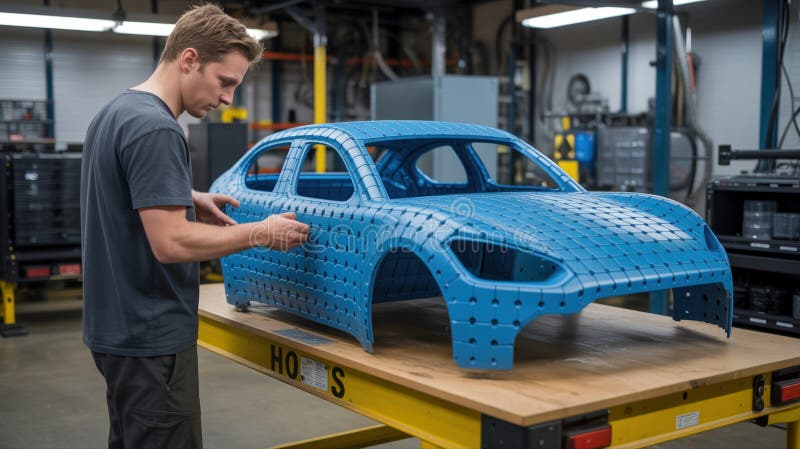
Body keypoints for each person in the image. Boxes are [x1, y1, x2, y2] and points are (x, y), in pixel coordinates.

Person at [79, 4, 309, 448]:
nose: (227, 99)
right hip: (151, 340)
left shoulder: (116, 112)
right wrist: (263, 232)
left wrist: (186, 195)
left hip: (115, 331)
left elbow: (117, 193)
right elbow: (172, 243)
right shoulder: (159, 130)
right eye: (225, 82)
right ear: (189, 60)